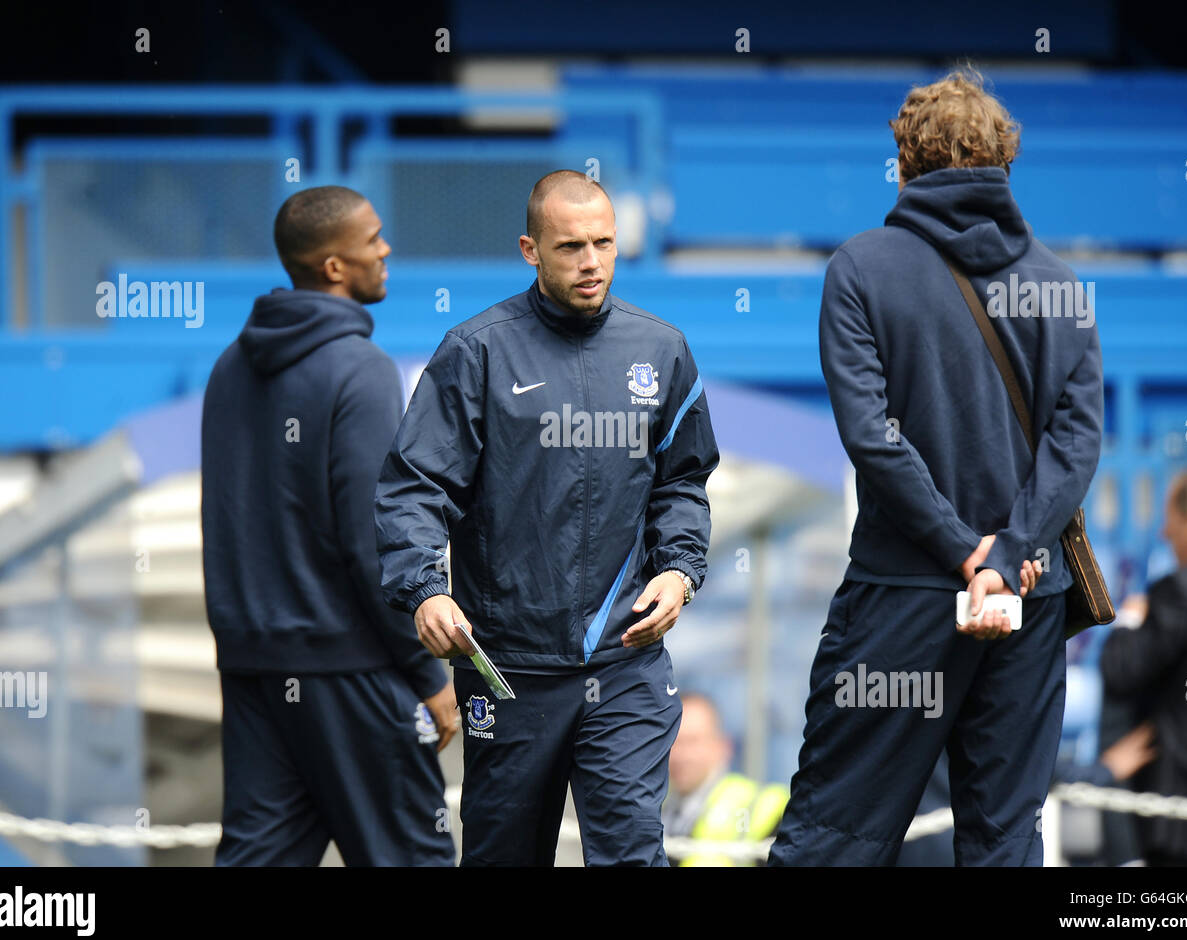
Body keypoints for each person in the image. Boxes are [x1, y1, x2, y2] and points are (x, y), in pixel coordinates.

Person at [769, 69, 1103, 866]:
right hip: (1028, 600)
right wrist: (1014, 549)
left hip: (905, 597)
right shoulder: (1059, 285)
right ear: (1004, 163)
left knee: (836, 835)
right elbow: (1078, 438)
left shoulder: (861, 268)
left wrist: (966, 553)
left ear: (904, 163)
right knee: (1005, 839)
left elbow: (873, 438)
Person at [374, 170, 720, 867]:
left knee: (630, 856)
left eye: (604, 243)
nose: (591, 262)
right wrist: (425, 588)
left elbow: (683, 481)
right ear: (531, 250)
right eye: (570, 247)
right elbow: (414, 487)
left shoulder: (663, 351)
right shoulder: (475, 352)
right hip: (510, 671)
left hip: (625, 662)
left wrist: (681, 571)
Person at [201, 185, 457, 866]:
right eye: (373, 238)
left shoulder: (228, 368)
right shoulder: (362, 371)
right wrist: (428, 674)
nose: (386, 249)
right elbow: (375, 540)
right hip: (352, 670)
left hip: (256, 671)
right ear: (335, 267)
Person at [1100, 463, 1187, 866]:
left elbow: (1122, 672)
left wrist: (1129, 620)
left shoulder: (1182, 592)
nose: (1165, 533)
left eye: (1172, 521)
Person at [662, 692, 788, 866]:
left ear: (722, 746)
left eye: (692, 741)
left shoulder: (765, 806)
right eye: (673, 743)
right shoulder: (655, 808)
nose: (681, 755)